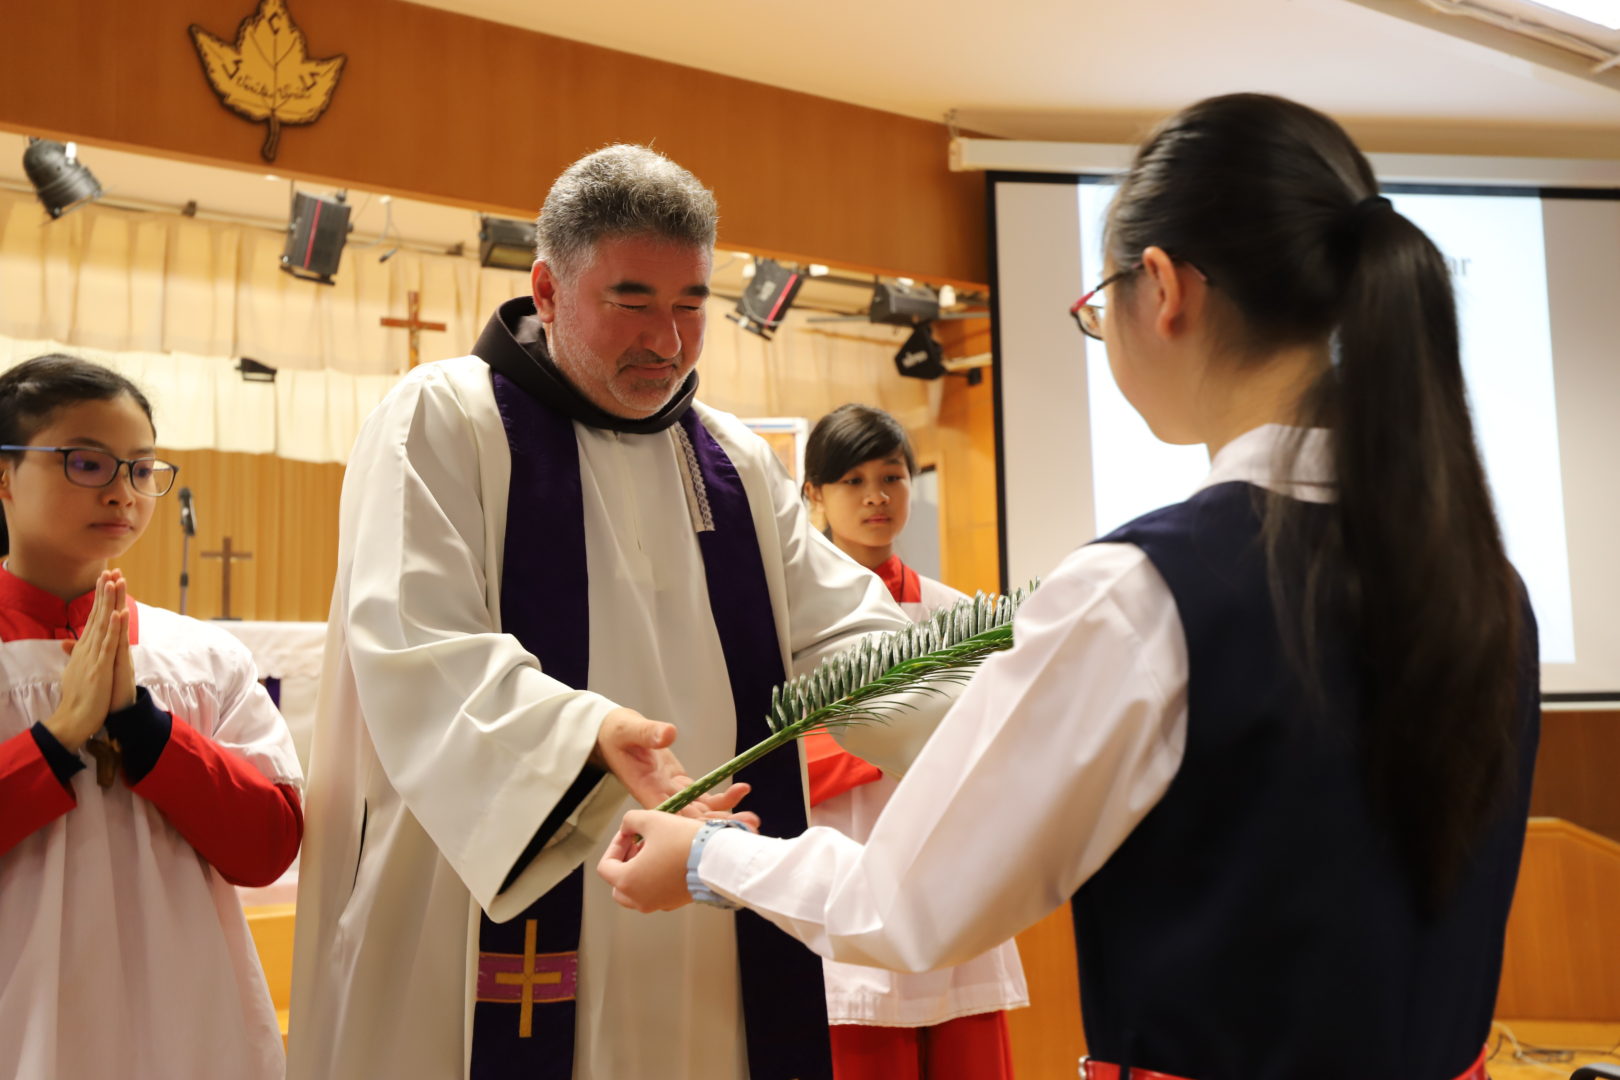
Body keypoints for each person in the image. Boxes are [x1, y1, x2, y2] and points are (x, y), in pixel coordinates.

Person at [600, 93, 1541, 1080]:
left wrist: (707, 858)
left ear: (1166, 288)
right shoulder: (1490, 585)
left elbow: (905, 903)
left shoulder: (1146, 594)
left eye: (1098, 305)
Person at [287, 145, 911, 1080]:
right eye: (632, 302)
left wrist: (1014, 702)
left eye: (692, 304)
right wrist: (587, 733)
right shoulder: (445, 419)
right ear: (546, 288)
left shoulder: (732, 461)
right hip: (497, 896)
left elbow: (851, 637)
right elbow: (417, 644)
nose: (669, 338)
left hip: (703, 902)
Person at [0, 354, 303, 1080]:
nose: (122, 493)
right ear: (4, 476)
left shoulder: (200, 656)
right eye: (86, 463)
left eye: (141, 469)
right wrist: (55, 742)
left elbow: (268, 846)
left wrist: (146, 731)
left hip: (185, 1011)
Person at [798, 403, 1026, 1080]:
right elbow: (771, 753)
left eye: (892, 477)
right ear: (814, 493)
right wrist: (902, 742)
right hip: (844, 875)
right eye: (853, 480)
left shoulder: (962, 614)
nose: (876, 496)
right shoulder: (790, 618)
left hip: (949, 883)